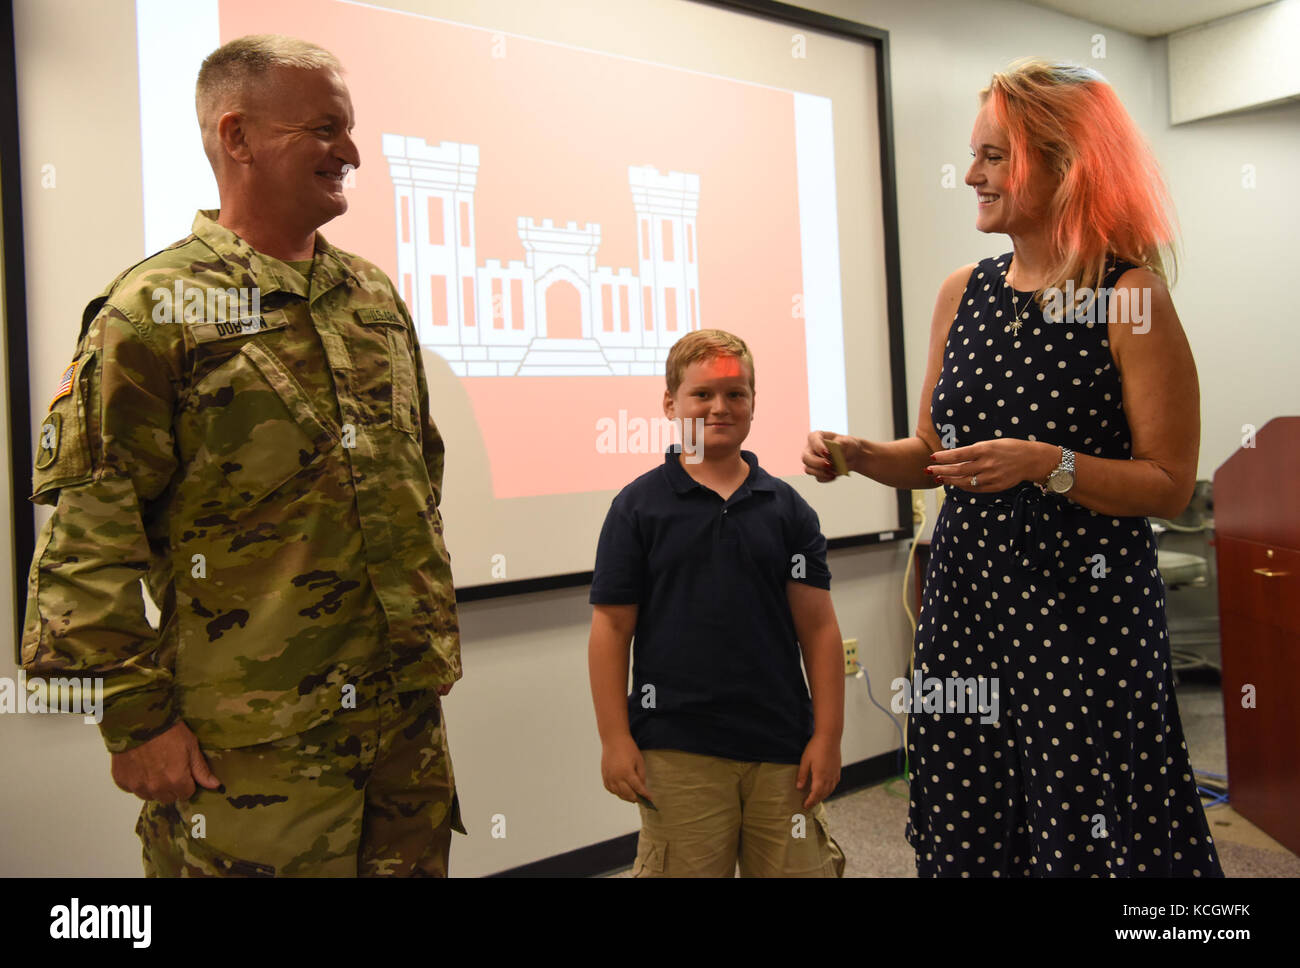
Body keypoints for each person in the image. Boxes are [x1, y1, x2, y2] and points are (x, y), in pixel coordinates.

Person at [21, 35, 464, 876]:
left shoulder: (370, 297)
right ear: (237, 136)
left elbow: (418, 486)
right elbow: (89, 540)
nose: (352, 153)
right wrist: (135, 720)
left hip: (401, 738)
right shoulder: (153, 310)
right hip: (251, 756)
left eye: (352, 128)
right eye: (325, 129)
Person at [803, 59, 1222, 877]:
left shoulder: (1130, 298)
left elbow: (1169, 483)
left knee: (1089, 828)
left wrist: (1049, 465)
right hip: (968, 612)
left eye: (994, 157)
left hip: (1081, 624)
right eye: (975, 155)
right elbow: (932, 456)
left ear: (1065, 163)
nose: (971, 175)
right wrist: (857, 456)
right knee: (972, 817)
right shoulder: (965, 291)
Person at [589, 329, 847, 877]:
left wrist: (828, 736)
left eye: (736, 394)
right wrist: (614, 739)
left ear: (754, 403)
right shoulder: (637, 508)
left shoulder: (787, 509)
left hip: (782, 748)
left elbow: (820, 630)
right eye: (702, 394)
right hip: (677, 749)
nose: (719, 407)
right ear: (670, 404)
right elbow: (611, 630)